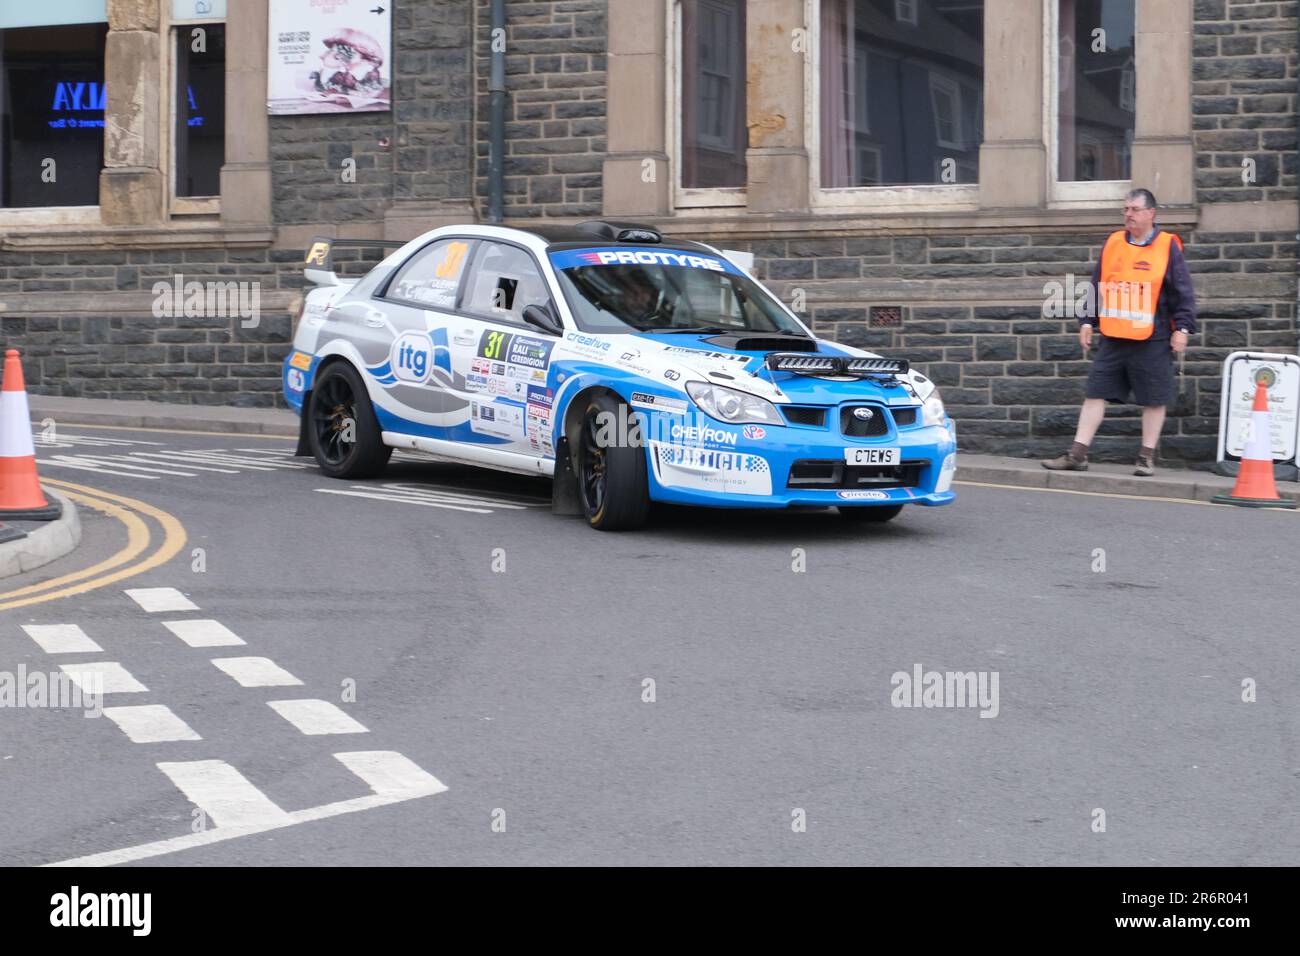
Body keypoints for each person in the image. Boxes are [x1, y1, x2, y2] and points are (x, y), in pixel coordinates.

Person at [1041, 188, 1197, 476]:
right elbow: (1097, 283)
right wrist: (1087, 321)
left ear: (1151, 213)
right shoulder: (1113, 242)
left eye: (1134, 210)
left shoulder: (1167, 246)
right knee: (1095, 393)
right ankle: (1077, 454)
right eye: (1125, 209)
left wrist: (1183, 328)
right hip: (1113, 337)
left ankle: (1145, 458)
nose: (1128, 215)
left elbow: (1182, 291)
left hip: (1153, 337)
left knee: (1153, 398)